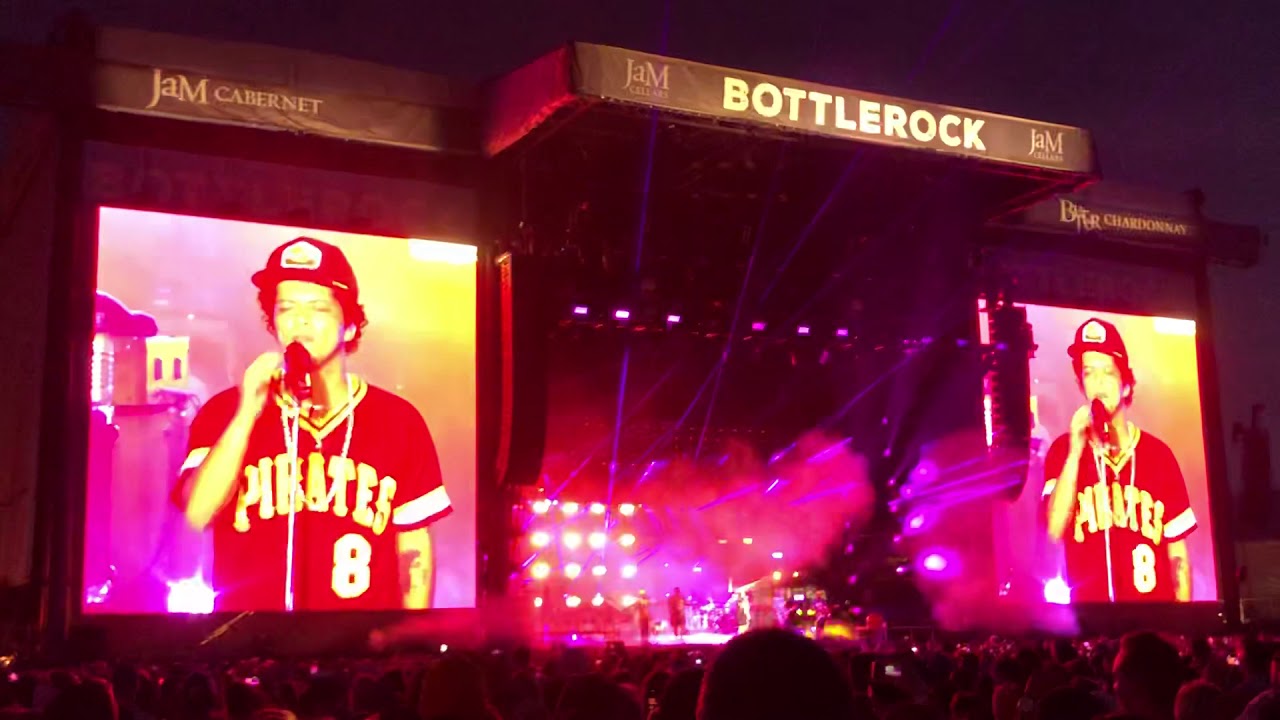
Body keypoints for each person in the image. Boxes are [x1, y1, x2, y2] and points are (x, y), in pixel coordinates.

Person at [173, 237, 452, 611]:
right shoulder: (226, 411)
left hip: (361, 644)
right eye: (286, 308)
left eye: (318, 307)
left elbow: (413, 550)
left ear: (350, 326)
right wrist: (247, 414)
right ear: (272, 324)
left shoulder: (398, 420)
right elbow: (198, 513)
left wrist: (412, 641)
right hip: (249, 643)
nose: (300, 320)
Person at [1044, 318, 1196, 602]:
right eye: (1089, 373)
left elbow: (1178, 556)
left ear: (1126, 384)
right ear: (1080, 384)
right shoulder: (1063, 451)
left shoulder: (1158, 455)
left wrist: (1182, 626)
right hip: (1090, 623)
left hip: (1153, 620)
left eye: (1108, 372)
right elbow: (1054, 530)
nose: (1098, 383)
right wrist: (1076, 451)